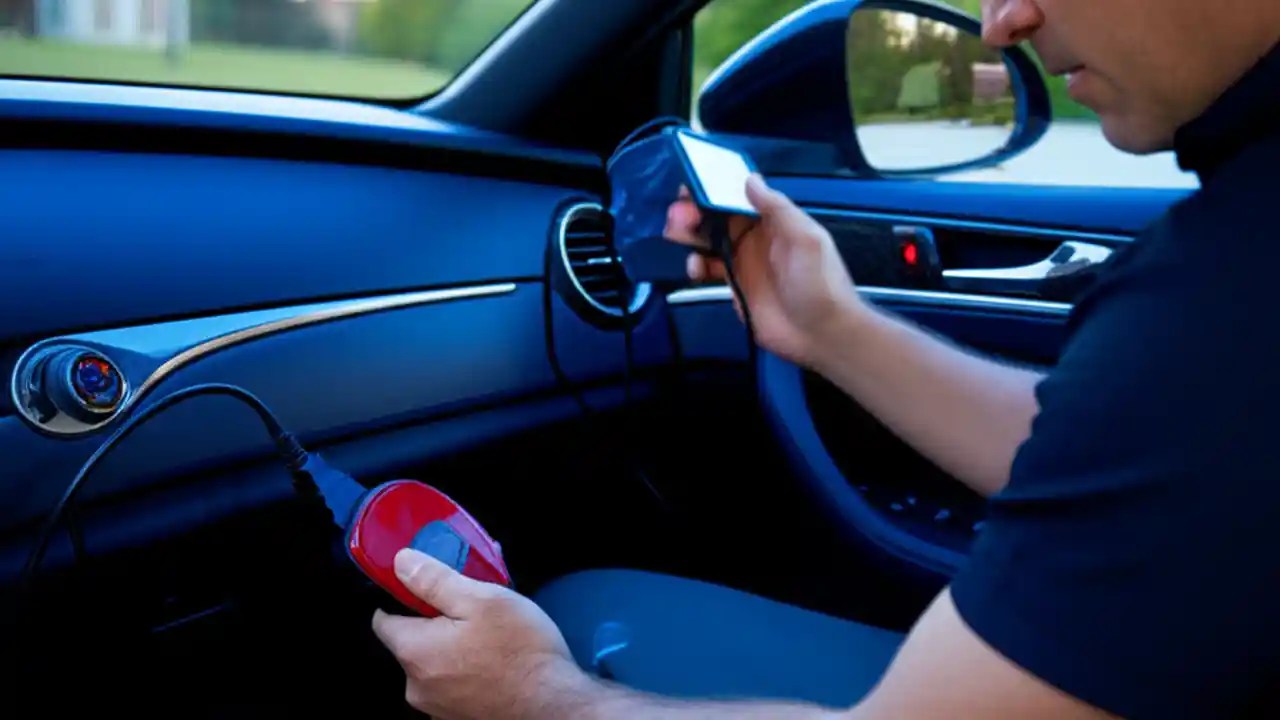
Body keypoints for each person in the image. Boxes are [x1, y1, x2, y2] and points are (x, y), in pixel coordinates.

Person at [369, 0, 1280, 717]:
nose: (1005, 22)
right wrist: (831, 327)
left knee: (576, 617)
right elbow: (1110, 450)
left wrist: (544, 697)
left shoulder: (1231, 298)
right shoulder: (1230, 261)